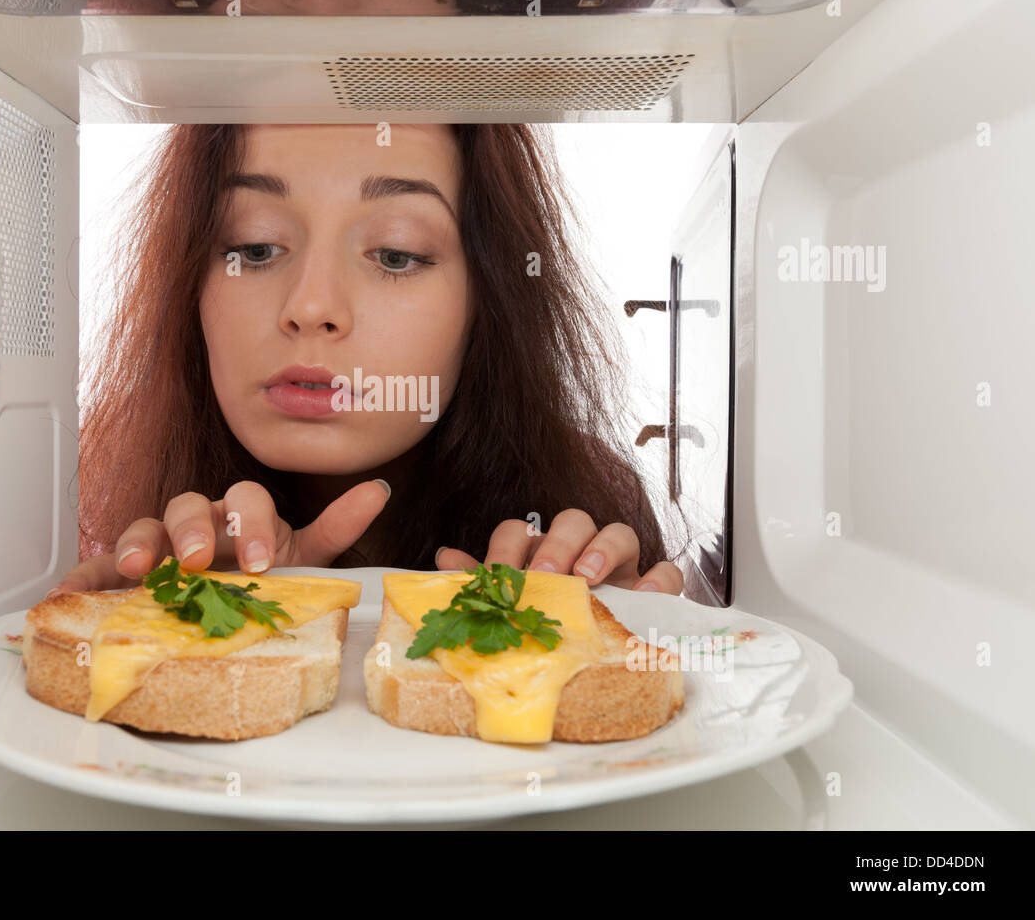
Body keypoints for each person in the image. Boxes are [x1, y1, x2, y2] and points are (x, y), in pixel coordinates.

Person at [47, 123, 686, 598]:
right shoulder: (95, 488)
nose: (311, 306)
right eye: (257, 246)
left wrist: (610, 640)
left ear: (487, 298)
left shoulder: (589, 503)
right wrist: (175, 629)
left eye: (395, 254)